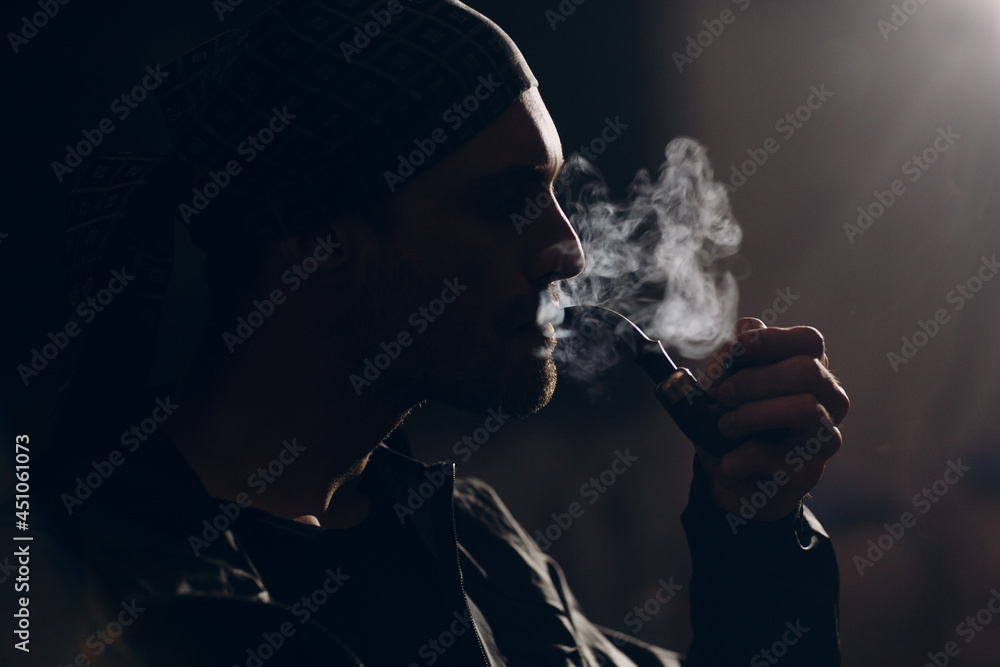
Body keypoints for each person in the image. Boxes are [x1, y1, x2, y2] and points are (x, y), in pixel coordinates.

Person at [37, 1, 849, 665]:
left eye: (557, 193)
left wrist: (755, 532)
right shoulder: (82, 585)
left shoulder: (477, 547)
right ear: (314, 236)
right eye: (505, 202)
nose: (567, 246)